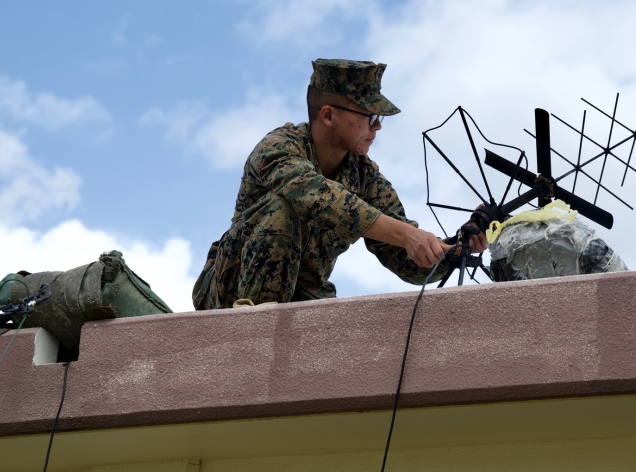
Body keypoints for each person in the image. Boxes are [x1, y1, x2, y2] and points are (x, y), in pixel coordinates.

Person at [192, 58, 486, 310]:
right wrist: (408, 234)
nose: (377, 126)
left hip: (304, 298)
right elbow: (320, 198)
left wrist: (456, 248)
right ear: (329, 115)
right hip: (229, 292)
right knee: (283, 207)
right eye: (370, 116)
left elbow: (404, 258)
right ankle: (254, 327)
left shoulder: (365, 177)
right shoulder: (279, 148)